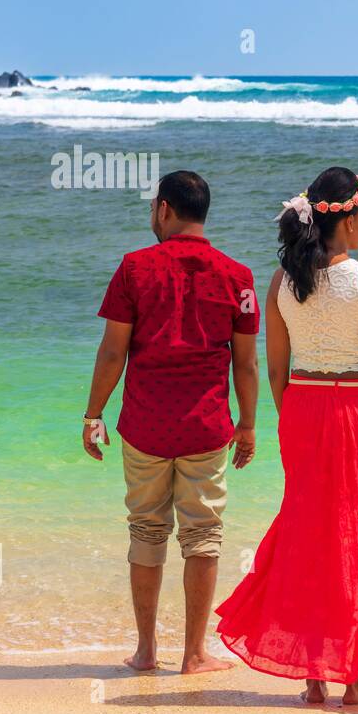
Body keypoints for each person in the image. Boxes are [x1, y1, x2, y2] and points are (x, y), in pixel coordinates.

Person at [215, 166, 358, 706]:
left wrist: (292, 419)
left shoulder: (282, 281)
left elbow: (274, 369)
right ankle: (354, 678)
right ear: (346, 222)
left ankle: (313, 677)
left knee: (311, 533)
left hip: (301, 410)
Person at [82, 170, 260, 674]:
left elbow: (114, 350)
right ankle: (194, 654)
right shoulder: (238, 275)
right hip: (206, 426)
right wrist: (247, 425)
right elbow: (244, 363)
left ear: (163, 209)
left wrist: (94, 414)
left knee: (146, 530)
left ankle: (145, 652)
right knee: (203, 534)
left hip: (145, 425)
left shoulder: (134, 268)